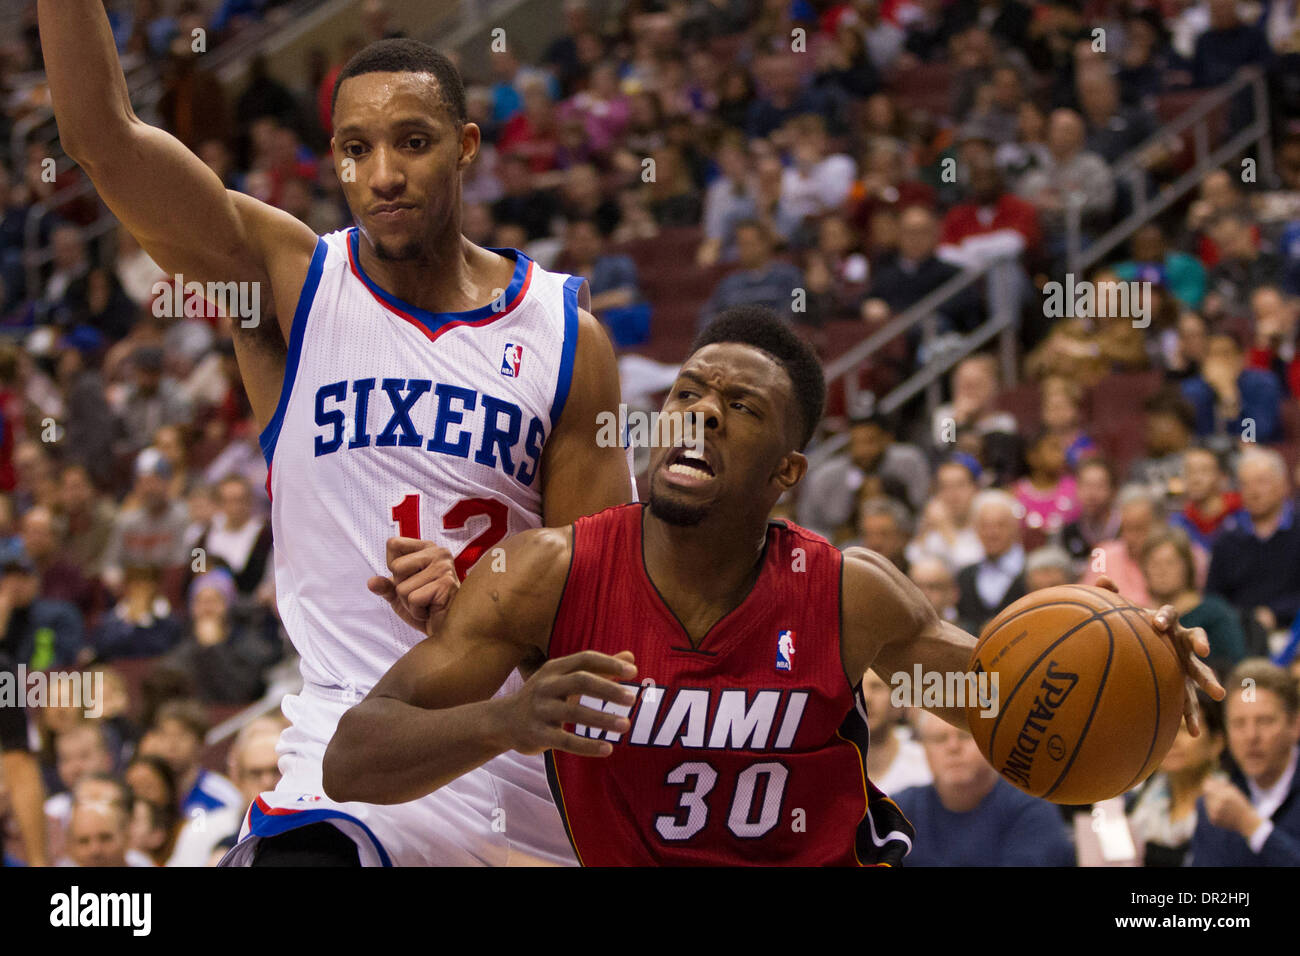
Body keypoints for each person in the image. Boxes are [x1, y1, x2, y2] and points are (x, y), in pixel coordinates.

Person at [43, 7, 635, 868]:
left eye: (414, 142)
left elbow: (602, 622)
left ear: (467, 146)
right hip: (347, 753)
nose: (384, 174)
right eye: (356, 149)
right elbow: (103, 137)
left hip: (512, 764)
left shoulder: (564, 335)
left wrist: (483, 598)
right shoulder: (290, 283)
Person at [322, 309, 1221, 865]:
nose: (702, 412)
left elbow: (1009, 706)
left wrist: (1145, 659)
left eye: (739, 407)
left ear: (786, 472)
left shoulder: (845, 597)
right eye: (687, 394)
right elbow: (352, 757)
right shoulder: (545, 577)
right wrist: (505, 721)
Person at [893, 710, 1076, 867]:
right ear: (923, 748)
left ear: (991, 744)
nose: (953, 747)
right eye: (940, 739)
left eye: (965, 735)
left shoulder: (1030, 809)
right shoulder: (900, 810)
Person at [1189, 659, 1300, 865]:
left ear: (1294, 725)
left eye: (1265, 721)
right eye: (1239, 724)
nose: (1251, 736)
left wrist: (1253, 828)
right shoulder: (1216, 805)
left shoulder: (1233, 811)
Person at [1206, 448, 1300, 633]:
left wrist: (1276, 614)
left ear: (1283, 485)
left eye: (1261, 482)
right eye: (1245, 484)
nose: (1253, 492)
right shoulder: (1227, 538)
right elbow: (1214, 599)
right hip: (1242, 633)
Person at [1126, 698, 1225, 866]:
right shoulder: (1136, 803)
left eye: (1186, 730)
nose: (1173, 742)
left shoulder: (1229, 808)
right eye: (1166, 731)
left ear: (1216, 743)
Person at [1141, 529, 1245, 677]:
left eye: (1170, 563)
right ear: (1144, 569)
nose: (1161, 571)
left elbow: (1235, 666)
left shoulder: (1215, 612)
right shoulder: (1137, 615)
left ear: (1187, 567)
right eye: (1154, 563)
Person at [955, 490, 1028, 632]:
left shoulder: (1030, 572)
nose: (992, 533)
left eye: (1000, 525)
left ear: (1015, 528)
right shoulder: (964, 576)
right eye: (985, 526)